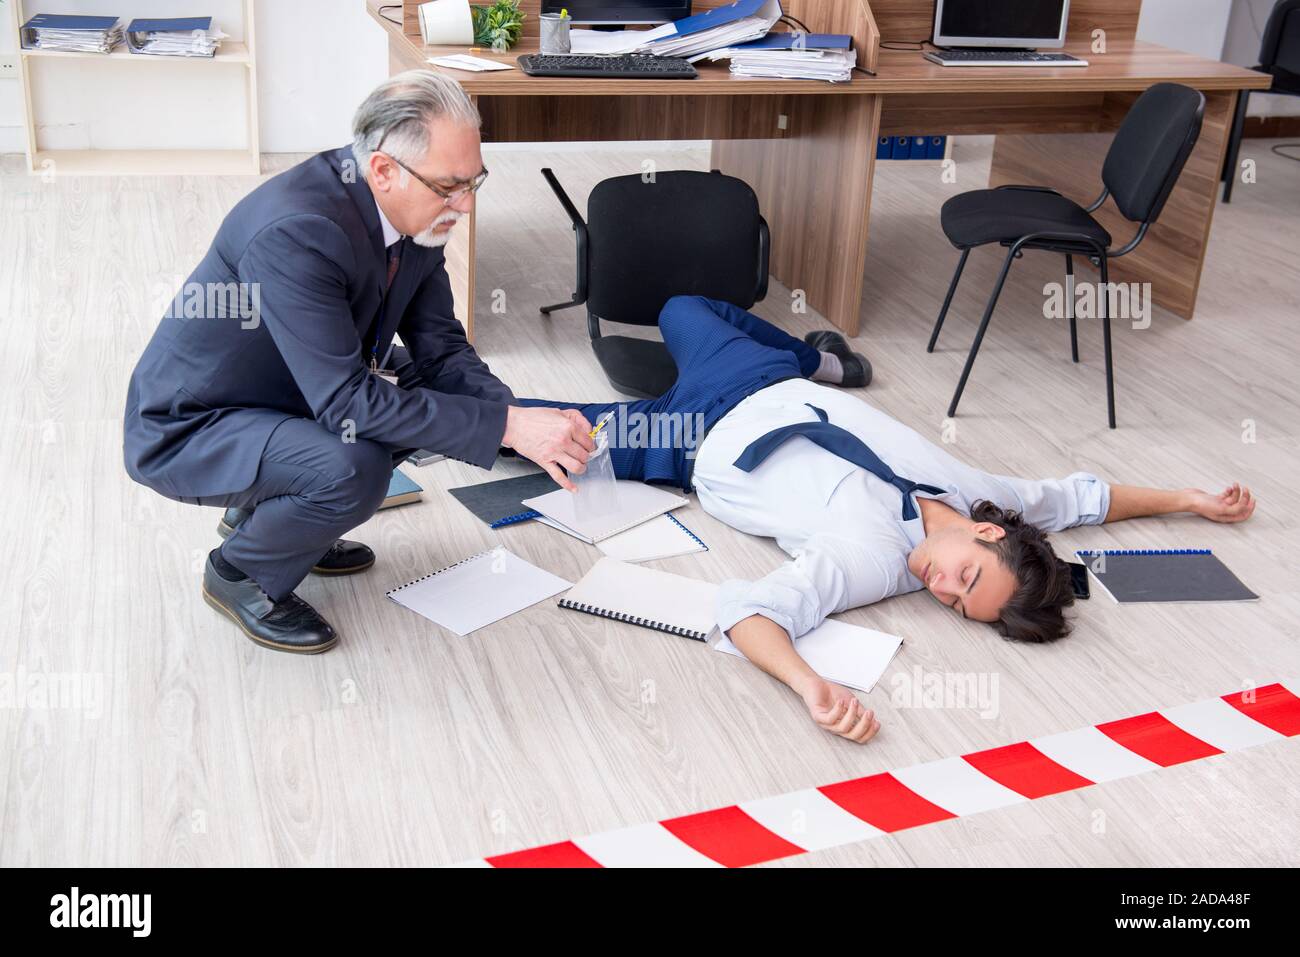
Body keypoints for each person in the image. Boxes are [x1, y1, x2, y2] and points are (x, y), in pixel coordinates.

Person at [522, 295, 1257, 744]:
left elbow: (750, 610)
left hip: (689, 440)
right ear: (988, 531)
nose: (942, 589)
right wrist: (1188, 499)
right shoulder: (982, 492)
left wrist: (808, 684)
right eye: (966, 576)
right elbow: (1082, 497)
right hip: (759, 377)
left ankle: (427, 394)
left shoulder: (874, 561)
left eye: (958, 604)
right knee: (680, 305)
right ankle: (823, 361)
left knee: (538, 428)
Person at [123, 71, 593, 655]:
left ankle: (267, 521)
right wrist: (506, 427)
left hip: (287, 390)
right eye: (452, 186)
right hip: (192, 426)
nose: (466, 205)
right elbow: (346, 401)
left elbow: (441, 352)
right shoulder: (298, 230)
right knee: (354, 467)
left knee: (416, 403)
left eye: (475, 182)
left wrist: (523, 420)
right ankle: (240, 571)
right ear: (383, 170)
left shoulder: (420, 209)